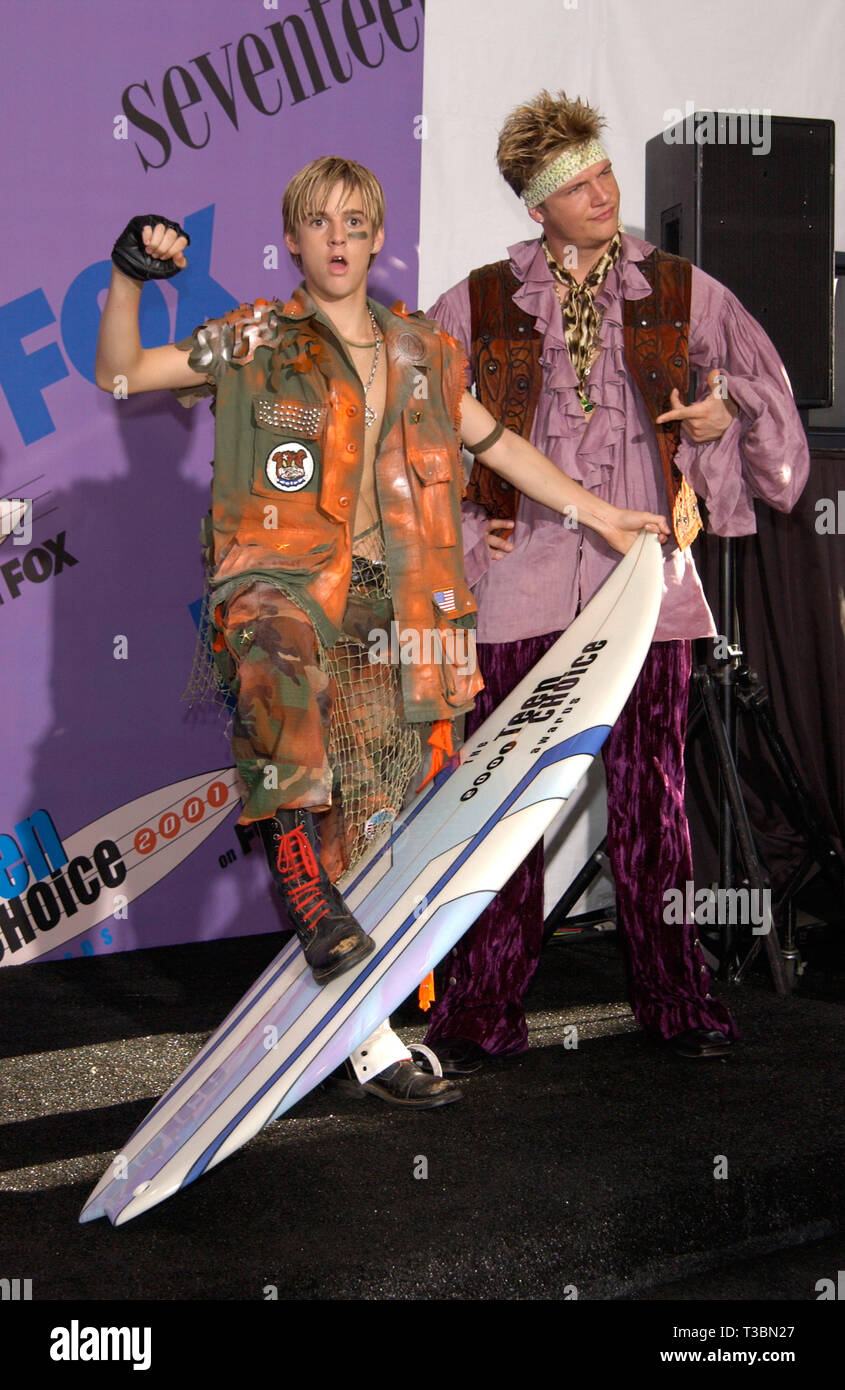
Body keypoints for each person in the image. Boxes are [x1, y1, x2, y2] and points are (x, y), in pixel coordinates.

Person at [94, 155, 669, 1106]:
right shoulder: (252, 339)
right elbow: (122, 373)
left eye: (353, 222)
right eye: (318, 222)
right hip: (279, 589)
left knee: (374, 832)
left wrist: (601, 515)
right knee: (277, 672)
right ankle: (293, 865)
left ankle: (369, 1038)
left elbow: (499, 445)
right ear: (293, 239)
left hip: (402, 611)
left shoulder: (424, 354)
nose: (336, 239)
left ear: (375, 236)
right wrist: (126, 277)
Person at [422, 92, 810, 1067]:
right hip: (517, 581)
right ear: (533, 207)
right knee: (506, 795)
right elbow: (417, 436)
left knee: (653, 800)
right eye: (573, 184)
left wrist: (728, 423)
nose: (601, 192)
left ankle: (673, 998)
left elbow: (768, 414)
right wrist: (458, 552)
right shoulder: (472, 301)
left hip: (646, 581)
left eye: (601, 173)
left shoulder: (680, 293)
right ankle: (480, 1006)